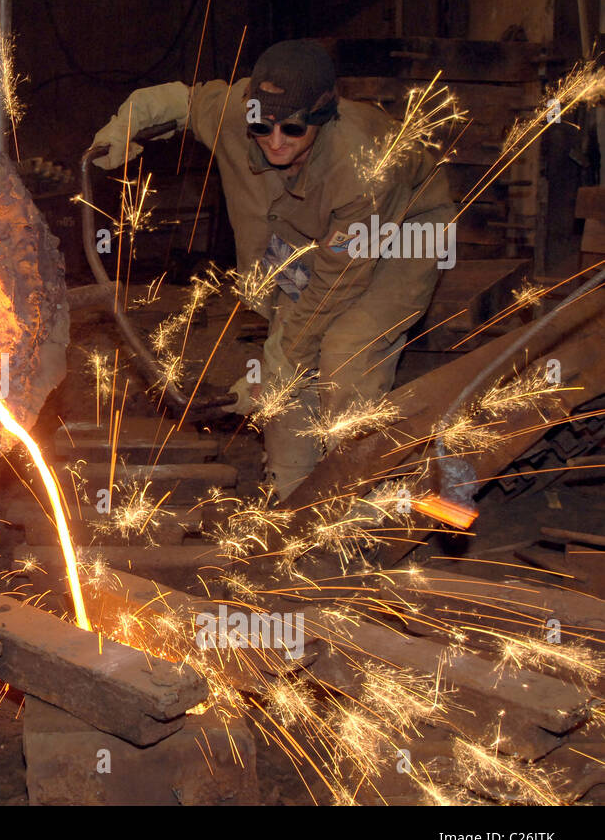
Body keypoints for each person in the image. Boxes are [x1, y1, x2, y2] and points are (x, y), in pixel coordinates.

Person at [91, 39, 454, 499]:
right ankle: (291, 491)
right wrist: (127, 124)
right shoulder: (237, 116)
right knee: (288, 340)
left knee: (345, 350)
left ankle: (355, 497)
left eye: (293, 130)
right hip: (313, 228)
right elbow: (182, 100)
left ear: (322, 118)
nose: (275, 141)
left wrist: (276, 366)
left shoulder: (363, 169)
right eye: (262, 125)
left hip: (404, 232)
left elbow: (334, 284)